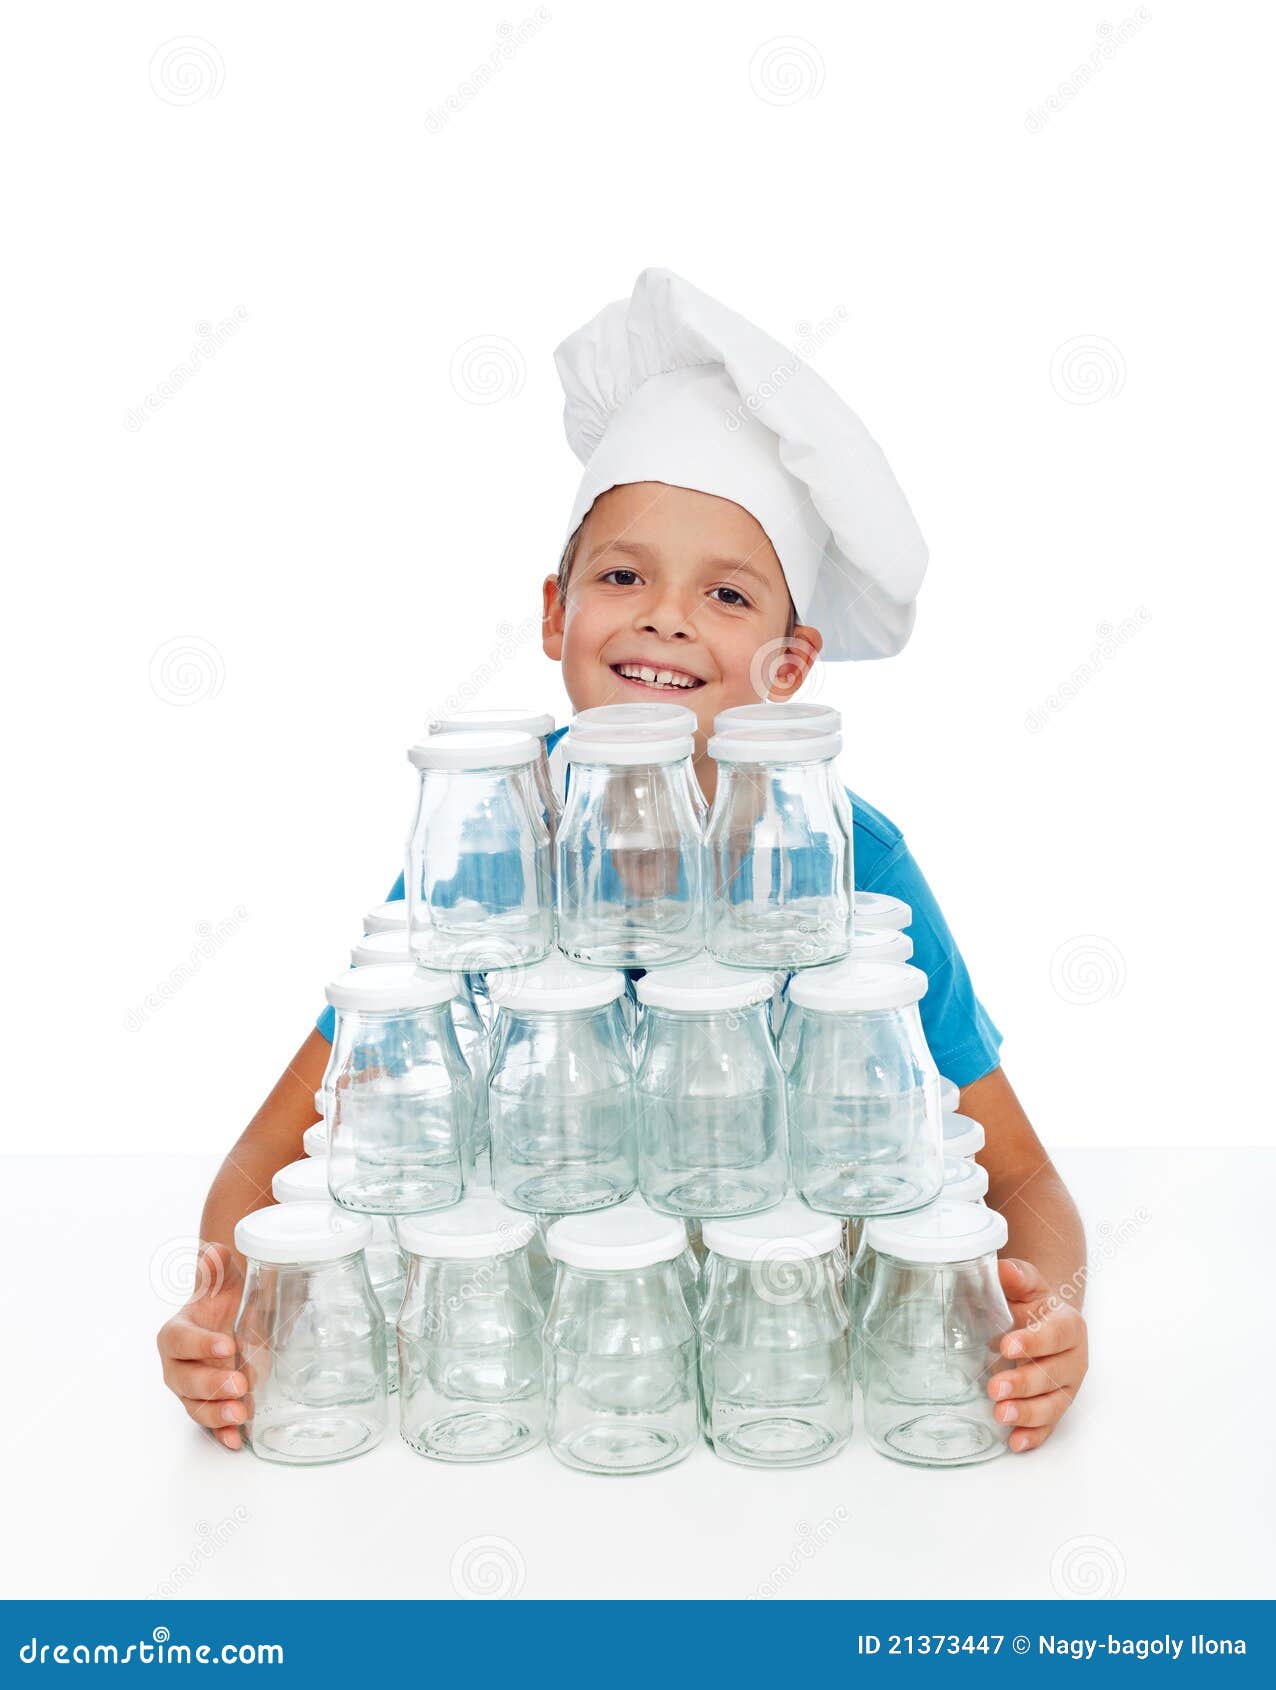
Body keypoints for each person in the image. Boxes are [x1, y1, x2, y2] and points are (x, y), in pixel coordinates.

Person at [158, 268, 1088, 1455]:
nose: (663, 618)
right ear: (553, 613)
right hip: (531, 1390)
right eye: (621, 575)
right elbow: (267, 1153)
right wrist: (223, 1308)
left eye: (727, 592)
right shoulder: (489, 845)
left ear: (790, 664)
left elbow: (1020, 1183)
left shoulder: (854, 865)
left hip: (793, 1379)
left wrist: (1047, 1317)